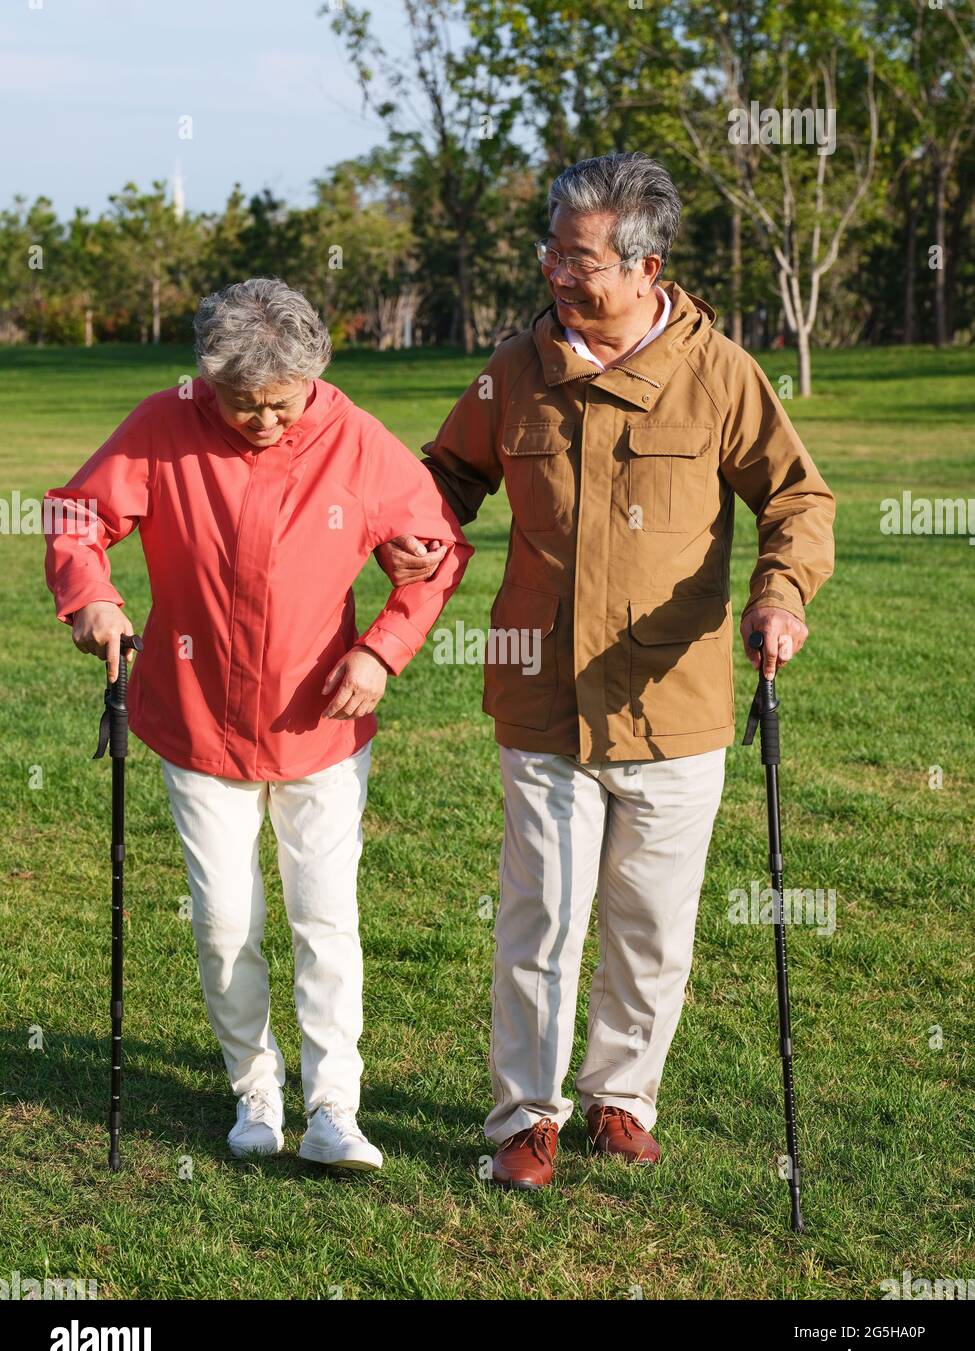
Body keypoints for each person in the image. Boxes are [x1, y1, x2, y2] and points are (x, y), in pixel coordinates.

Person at [378, 152, 835, 1189]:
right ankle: (523, 1119)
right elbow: (442, 478)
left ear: (644, 265)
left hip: (676, 701)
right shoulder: (515, 369)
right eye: (552, 250)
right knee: (541, 913)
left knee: (652, 920)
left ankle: (621, 1098)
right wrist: (403, 537)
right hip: (541, 696)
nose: (557, 272)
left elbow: (798, 502)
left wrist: (779, 595)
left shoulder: (721, 374)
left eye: (579, 258)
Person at [45, 278, 472, 1171]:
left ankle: (333, 1108)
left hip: (319, 720)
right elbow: (77, 517)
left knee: (325, 917)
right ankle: (253, 1086)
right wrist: (90, 594)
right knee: (223, 919)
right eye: (244, 405)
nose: (265, 421)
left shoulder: (354, 439)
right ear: (208, 383)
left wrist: (381, 651)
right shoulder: (164, 424)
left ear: (311, 379)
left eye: (281, 404)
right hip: (197, 721)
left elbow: (434, 555)